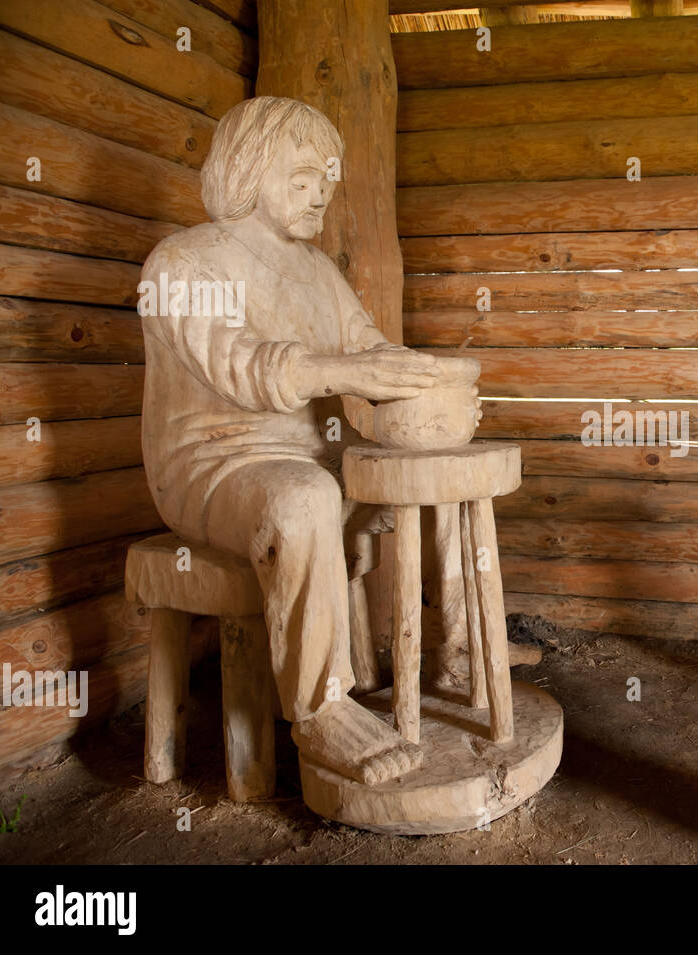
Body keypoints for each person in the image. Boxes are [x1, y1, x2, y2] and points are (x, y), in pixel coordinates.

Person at [138, 97, 473, 785]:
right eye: (302, 177)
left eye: (327, 179)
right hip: (216, 463)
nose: (321, 192)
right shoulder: (182, 262)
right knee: (302, 499)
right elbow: (239, 366)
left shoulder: (317, 270)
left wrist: (422, 376)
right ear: (248, 168)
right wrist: (347, 372)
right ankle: (322, 709)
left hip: (317, 452)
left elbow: (366, 347)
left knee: (439, 468)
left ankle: (459, 649)